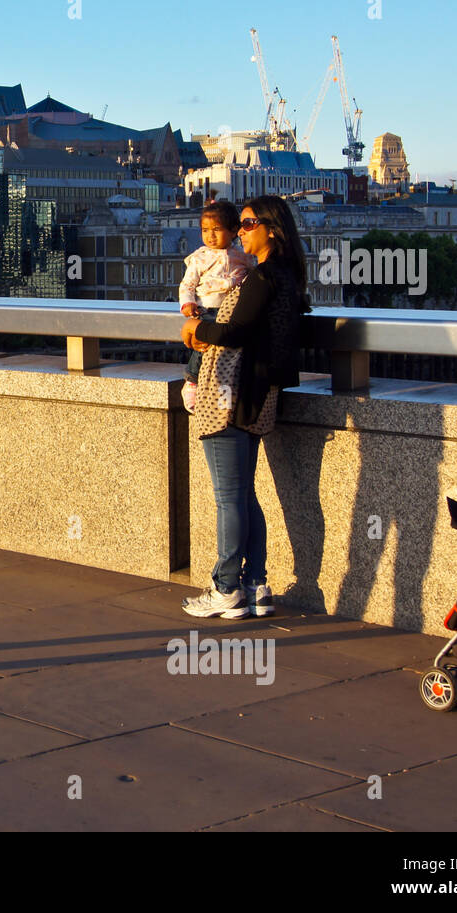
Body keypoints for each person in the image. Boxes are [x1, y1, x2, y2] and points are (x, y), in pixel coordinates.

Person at [179, 195, 309, 619]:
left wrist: (197, 328)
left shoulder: (263, 278)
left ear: (271, 228)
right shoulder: (285, 276)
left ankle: (226, 588)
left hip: (228, 396)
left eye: (249, 222)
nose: (240, 230)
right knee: (244, 495)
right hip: (256, 396)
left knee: (228, 499)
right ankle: (256, 586)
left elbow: (235, 331)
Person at [178, 201, 253, 414]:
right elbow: (187, 285)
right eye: (205, 230)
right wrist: (187, 303)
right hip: (208, 310)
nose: (210, 236)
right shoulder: (199, 257)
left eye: (217, 230)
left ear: (233, 231)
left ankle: (224, 400)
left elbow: (255, 275)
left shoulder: (242, 255)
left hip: (233, 313)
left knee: (226, 360)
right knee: (204, 350)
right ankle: (192, 381)